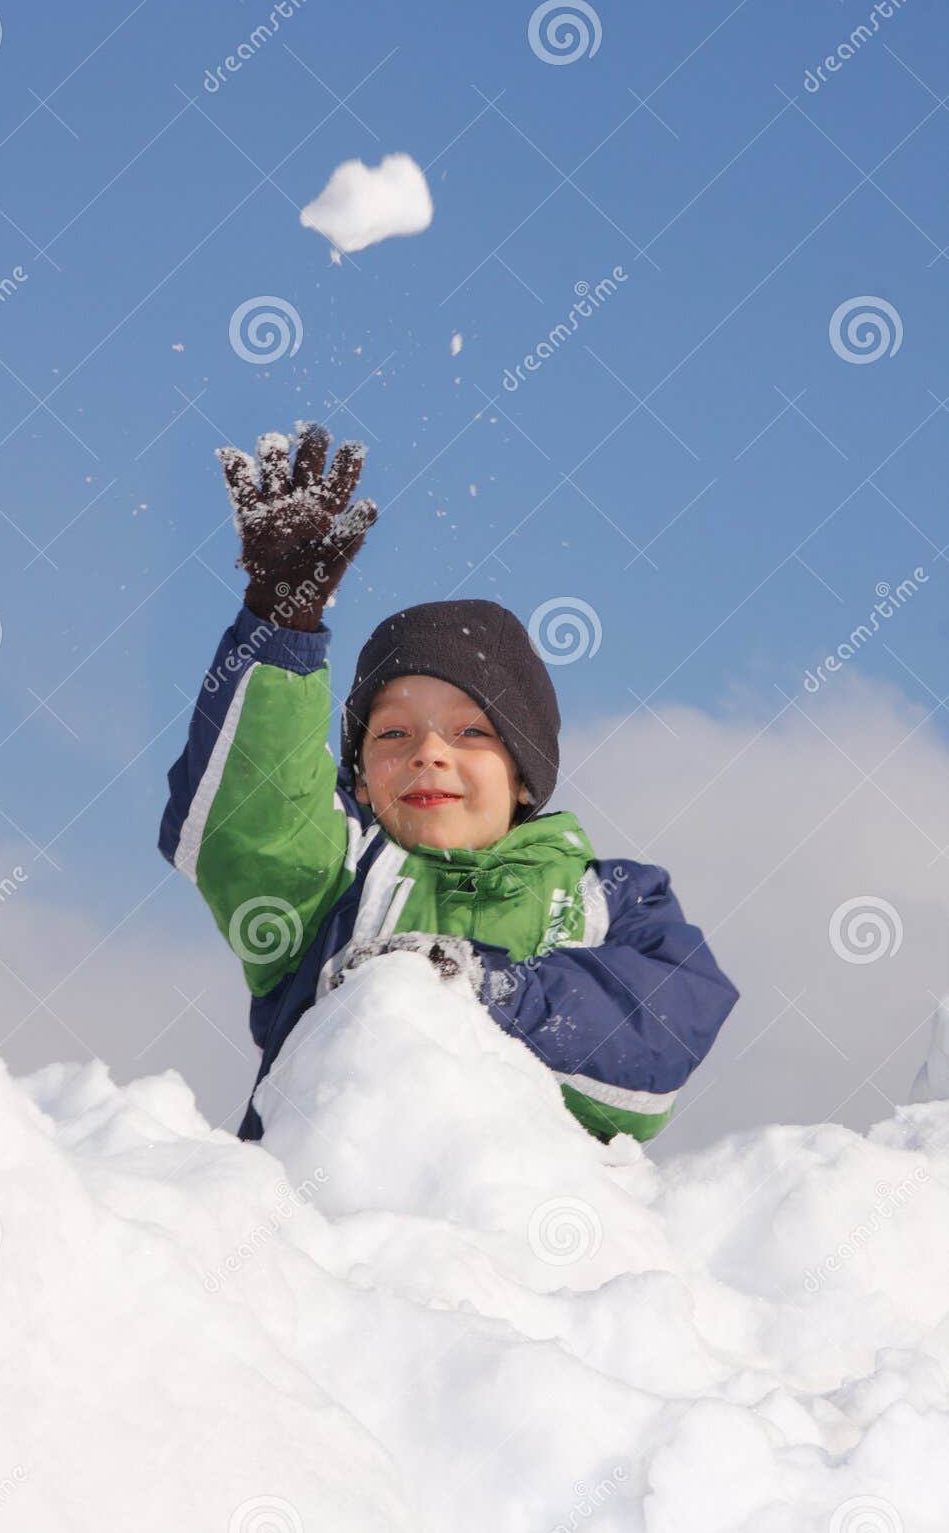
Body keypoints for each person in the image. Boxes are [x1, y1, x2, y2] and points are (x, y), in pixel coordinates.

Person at [159, 422, 739, 1146]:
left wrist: (491, 991)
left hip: (532, 1240)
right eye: (393, 734)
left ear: (525, 775)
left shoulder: (614, 898)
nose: (428, 755)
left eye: (470, 732)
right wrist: (280, 625)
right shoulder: (330, 883)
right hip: (319, 1236)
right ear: (360, 781)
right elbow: (249, 820)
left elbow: (657, 1039)